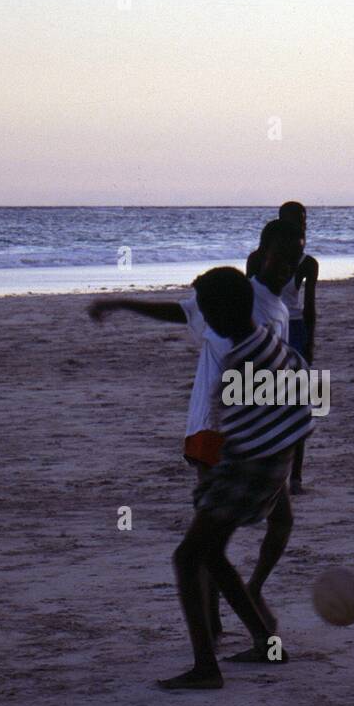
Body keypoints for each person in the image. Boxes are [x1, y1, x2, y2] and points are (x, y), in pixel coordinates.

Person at [86, 222, 303, 641]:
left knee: (242, 534)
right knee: (207, 543)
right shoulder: (235, 296)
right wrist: (123, 304)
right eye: (280, 258)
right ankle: (230, 626)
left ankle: (247, 607)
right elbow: (182, 313)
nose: (286, 268)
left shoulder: (274, 310)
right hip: (216, 432)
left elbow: (287, 386)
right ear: (261, 254)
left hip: (253, 441)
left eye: (295, 261)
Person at [160, 267, 315, 689]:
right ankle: (267, 643)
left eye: (207, 312)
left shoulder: (242, 360)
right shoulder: (268, 341)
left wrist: (215, 481)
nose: (204, 321)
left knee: (187, 557)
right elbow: (306, 393)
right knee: (211, 554)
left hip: (246, 473)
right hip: (269, 469)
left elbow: (241, 436)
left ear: (224, 312)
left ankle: (206, 668)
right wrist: (287, 457)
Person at [247, 204, 318, 493]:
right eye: (295, 220)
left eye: (304, 220)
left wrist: (311, 341)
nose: (302, 225)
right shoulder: (256, 258)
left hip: (296, 326)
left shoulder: (308, 263)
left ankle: (296, 477)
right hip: (268, 326)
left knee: (301, 403)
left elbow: (310, 306)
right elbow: (250, 294)